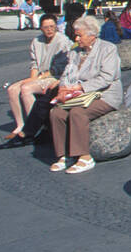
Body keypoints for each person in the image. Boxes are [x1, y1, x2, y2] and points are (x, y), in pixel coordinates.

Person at [48, 16, 122, 175]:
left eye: (79, 35)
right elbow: (67, 74)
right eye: (76, 35)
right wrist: (63, 88)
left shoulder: (108, 49)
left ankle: (85, 156)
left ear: (92, 35)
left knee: (77, 112)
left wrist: (80, 87)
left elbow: (107, 77)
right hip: (78, 94)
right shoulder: (75, 51)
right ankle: (64, 155)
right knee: (57, 113)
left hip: (104, 95)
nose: (76, 38)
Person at [0, 14, 72, 148]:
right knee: (12, 89)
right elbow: (34, 64)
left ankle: (35, 127)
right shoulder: (36, 41)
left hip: (55, 76)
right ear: (41, 28)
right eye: (46, 27)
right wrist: (33, 78)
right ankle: (21, 125)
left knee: (26, 88)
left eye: (52, 26)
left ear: (56, 26)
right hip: (40, 75)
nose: (49, 30)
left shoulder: (62, 41)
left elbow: (60, 67)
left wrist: (36, 80)